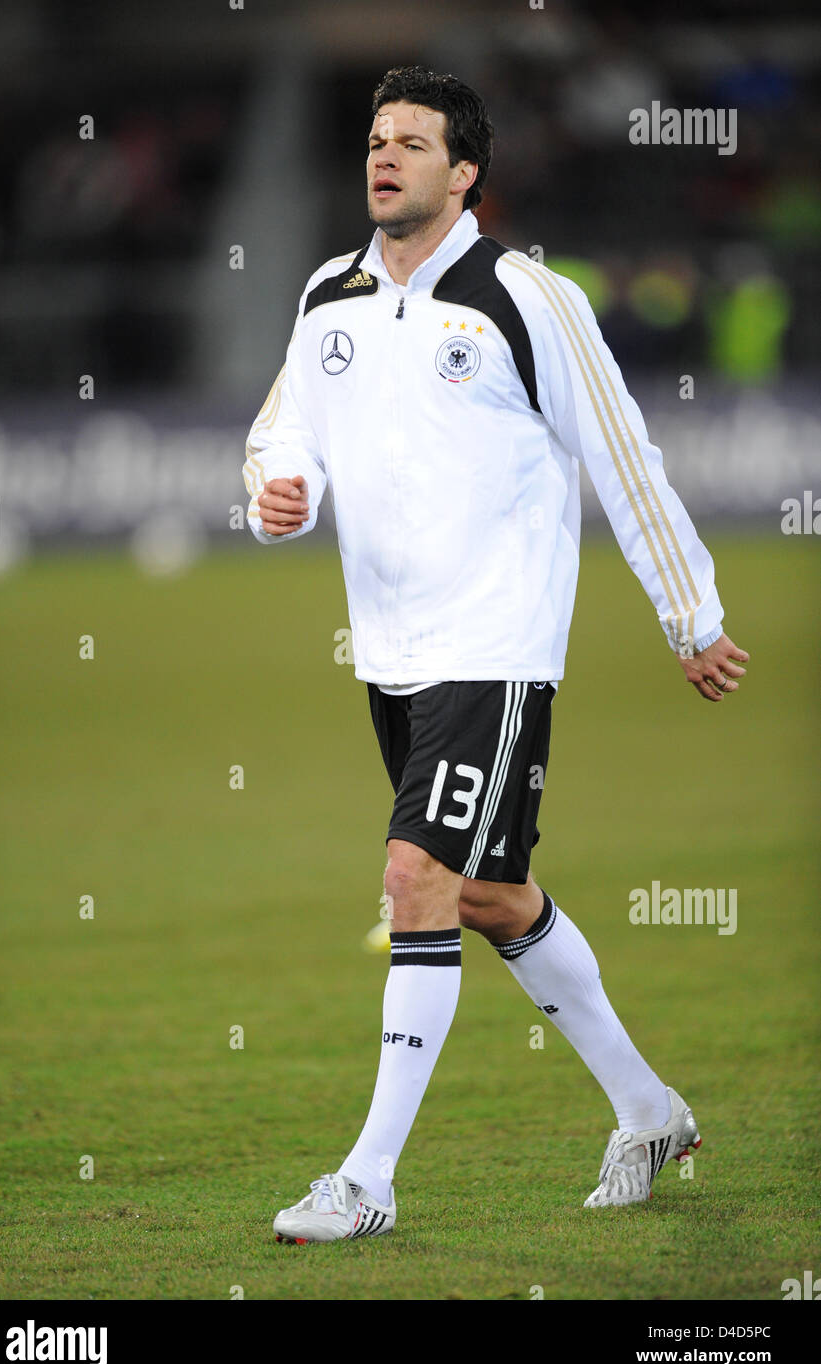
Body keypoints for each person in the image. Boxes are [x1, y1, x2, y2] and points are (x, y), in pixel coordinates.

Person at [243, 65, 749, 1244]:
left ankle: (365, 1180)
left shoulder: (527, 296)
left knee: (413, 880)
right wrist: (277, 490)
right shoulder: (329, 296)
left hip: (496, 646)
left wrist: (691, 614)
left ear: (463, 173)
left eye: (412, 143)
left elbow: (624, 453)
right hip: (389, 652)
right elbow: (284, 432)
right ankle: (648, 1109)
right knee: (485, 893)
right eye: (376, 139)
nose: (384, 157)